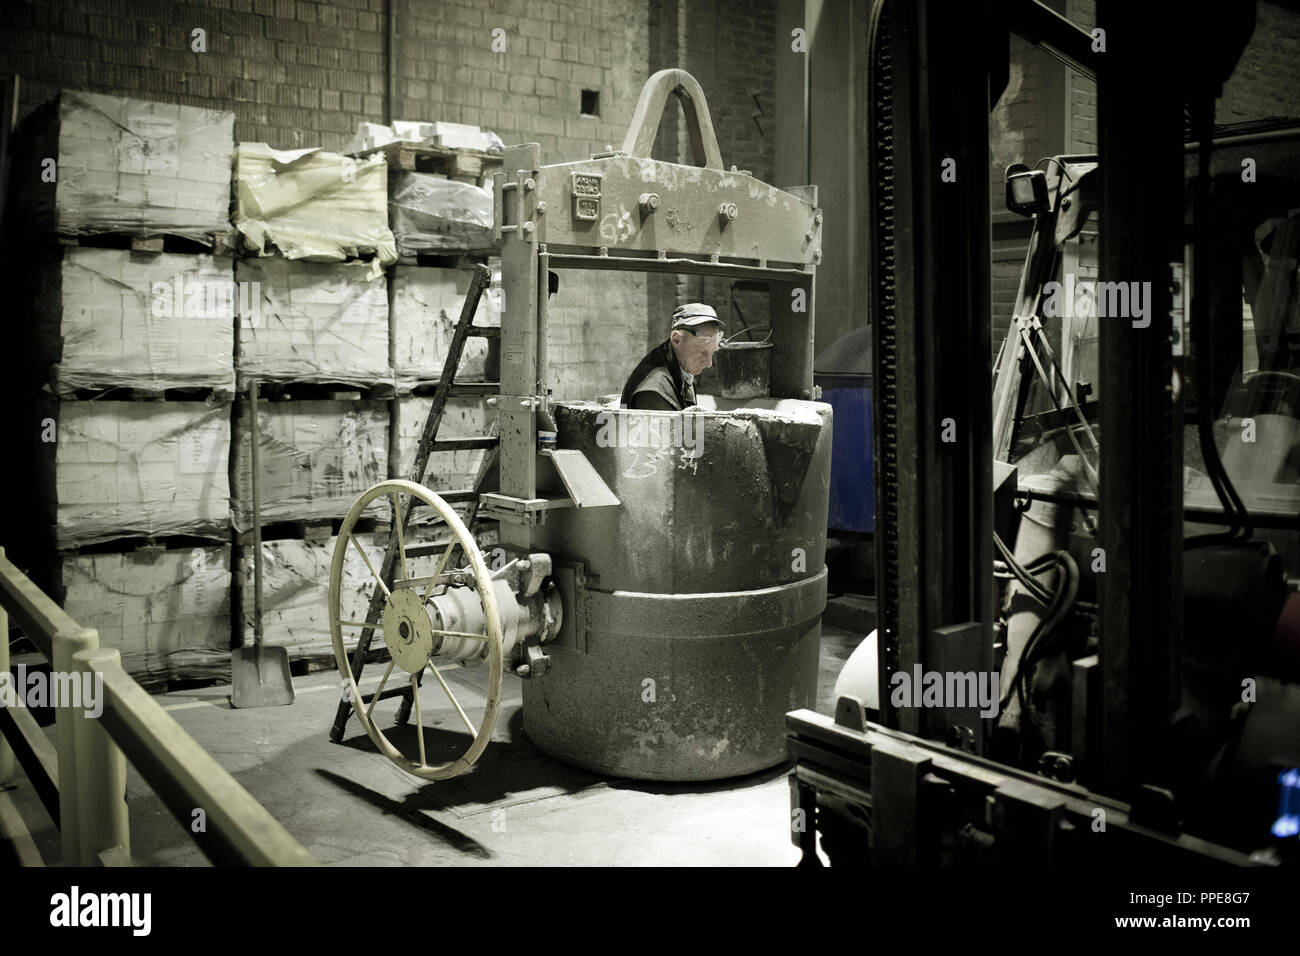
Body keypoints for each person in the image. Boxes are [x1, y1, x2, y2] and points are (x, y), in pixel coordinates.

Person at [620, 303, 725, 411]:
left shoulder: (682, 369)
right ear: (676, 340)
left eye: (712, 353)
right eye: (701, 352)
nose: (709, 363)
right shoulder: (654, 390)